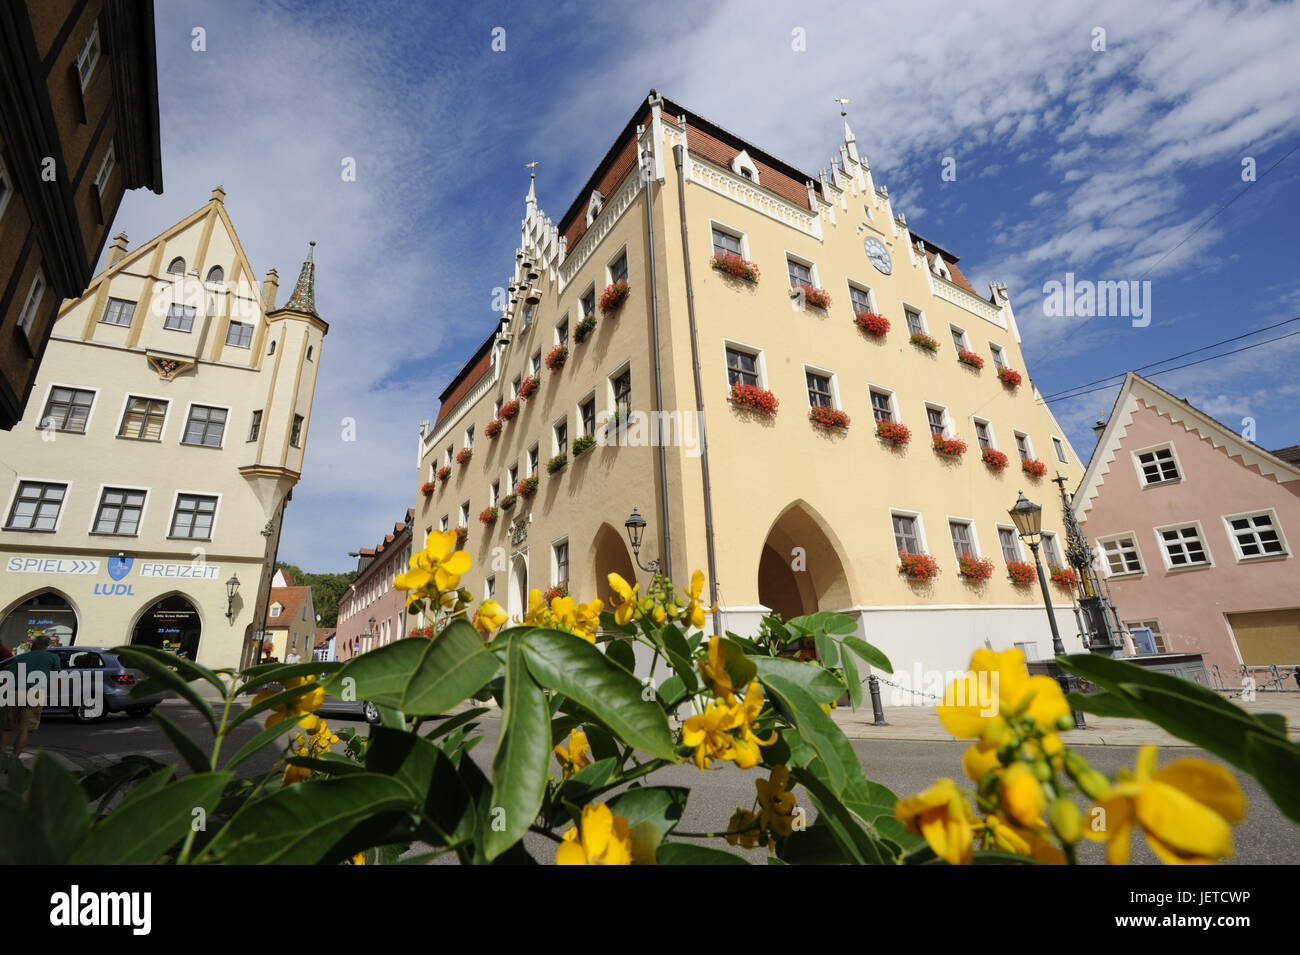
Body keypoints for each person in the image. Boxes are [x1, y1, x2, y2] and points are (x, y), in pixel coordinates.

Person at [0, 634, 63, 763]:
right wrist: (58, 694)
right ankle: (13, 760)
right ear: (47, 646)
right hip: (35, 694)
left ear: (34, 645)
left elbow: (8, 677)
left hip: (14, 693)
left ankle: (1, 759)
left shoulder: (21, 657)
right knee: (25, 729)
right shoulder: (53, 657)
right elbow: (57, 677)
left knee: (7, 727)